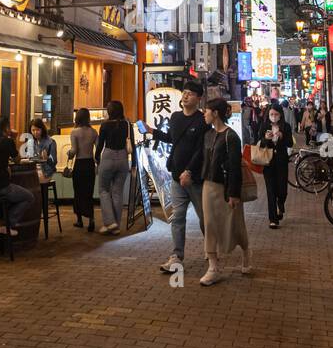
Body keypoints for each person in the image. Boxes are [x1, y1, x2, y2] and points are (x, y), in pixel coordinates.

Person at [188, 97, 250, 285]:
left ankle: (246, 251)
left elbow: (234, 167)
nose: (204, 114)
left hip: (226, 187)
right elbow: (201, 157)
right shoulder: (208, 135)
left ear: (215, 113)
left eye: (207, 111)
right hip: (208, 185)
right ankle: (213, 267)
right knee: (209, 224)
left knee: (235, 224)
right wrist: (189, 172)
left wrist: (233, 194)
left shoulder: (231, 136)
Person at [146, 81, 206, 273]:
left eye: (190, 93)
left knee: (205, 218)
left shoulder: (203, 120)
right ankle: (176, 256)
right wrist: (152, 132)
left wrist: (190, 171)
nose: (185, 96)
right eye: (184, 93)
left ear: (198, 98)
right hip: (176, 178)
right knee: (177, 217)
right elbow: (172, 138)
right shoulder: (175, 117)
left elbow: (201, 150)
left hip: (196, 179)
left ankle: (212, 248)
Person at [94, 99, 133, 234]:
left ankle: (109, 222)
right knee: (117, 192)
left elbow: (100, 145)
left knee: (104, 190)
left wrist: (97, 157)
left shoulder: (105, 125)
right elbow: (131, 144)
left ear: (109, 112)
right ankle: (116, 225)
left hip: (108, 157)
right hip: (123, 158)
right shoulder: (127, 124)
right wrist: (133, 163)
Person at [257, 102, 294, 229]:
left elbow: (290, 144)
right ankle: (273, 219)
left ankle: (281, 203)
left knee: (282, 189)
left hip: (282, 161)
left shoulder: (286, 126)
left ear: (280, 115)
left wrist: (282, 136)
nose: (273, 116)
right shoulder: (264, 125)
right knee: (270, 190)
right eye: (271, 114)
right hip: (268, 162)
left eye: (276, 114)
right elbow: (259, 142)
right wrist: (266, 139)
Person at [69, 108, 98, 230]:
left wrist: (69, 153)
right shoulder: (94, 132)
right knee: (88, 192)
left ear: (77, 118)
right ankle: (91, 220)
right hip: (90, 164)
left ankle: (79, 220)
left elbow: (74, 151)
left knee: (78, 192)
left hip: (80, 164)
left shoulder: (74, 132)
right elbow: (98, 150)